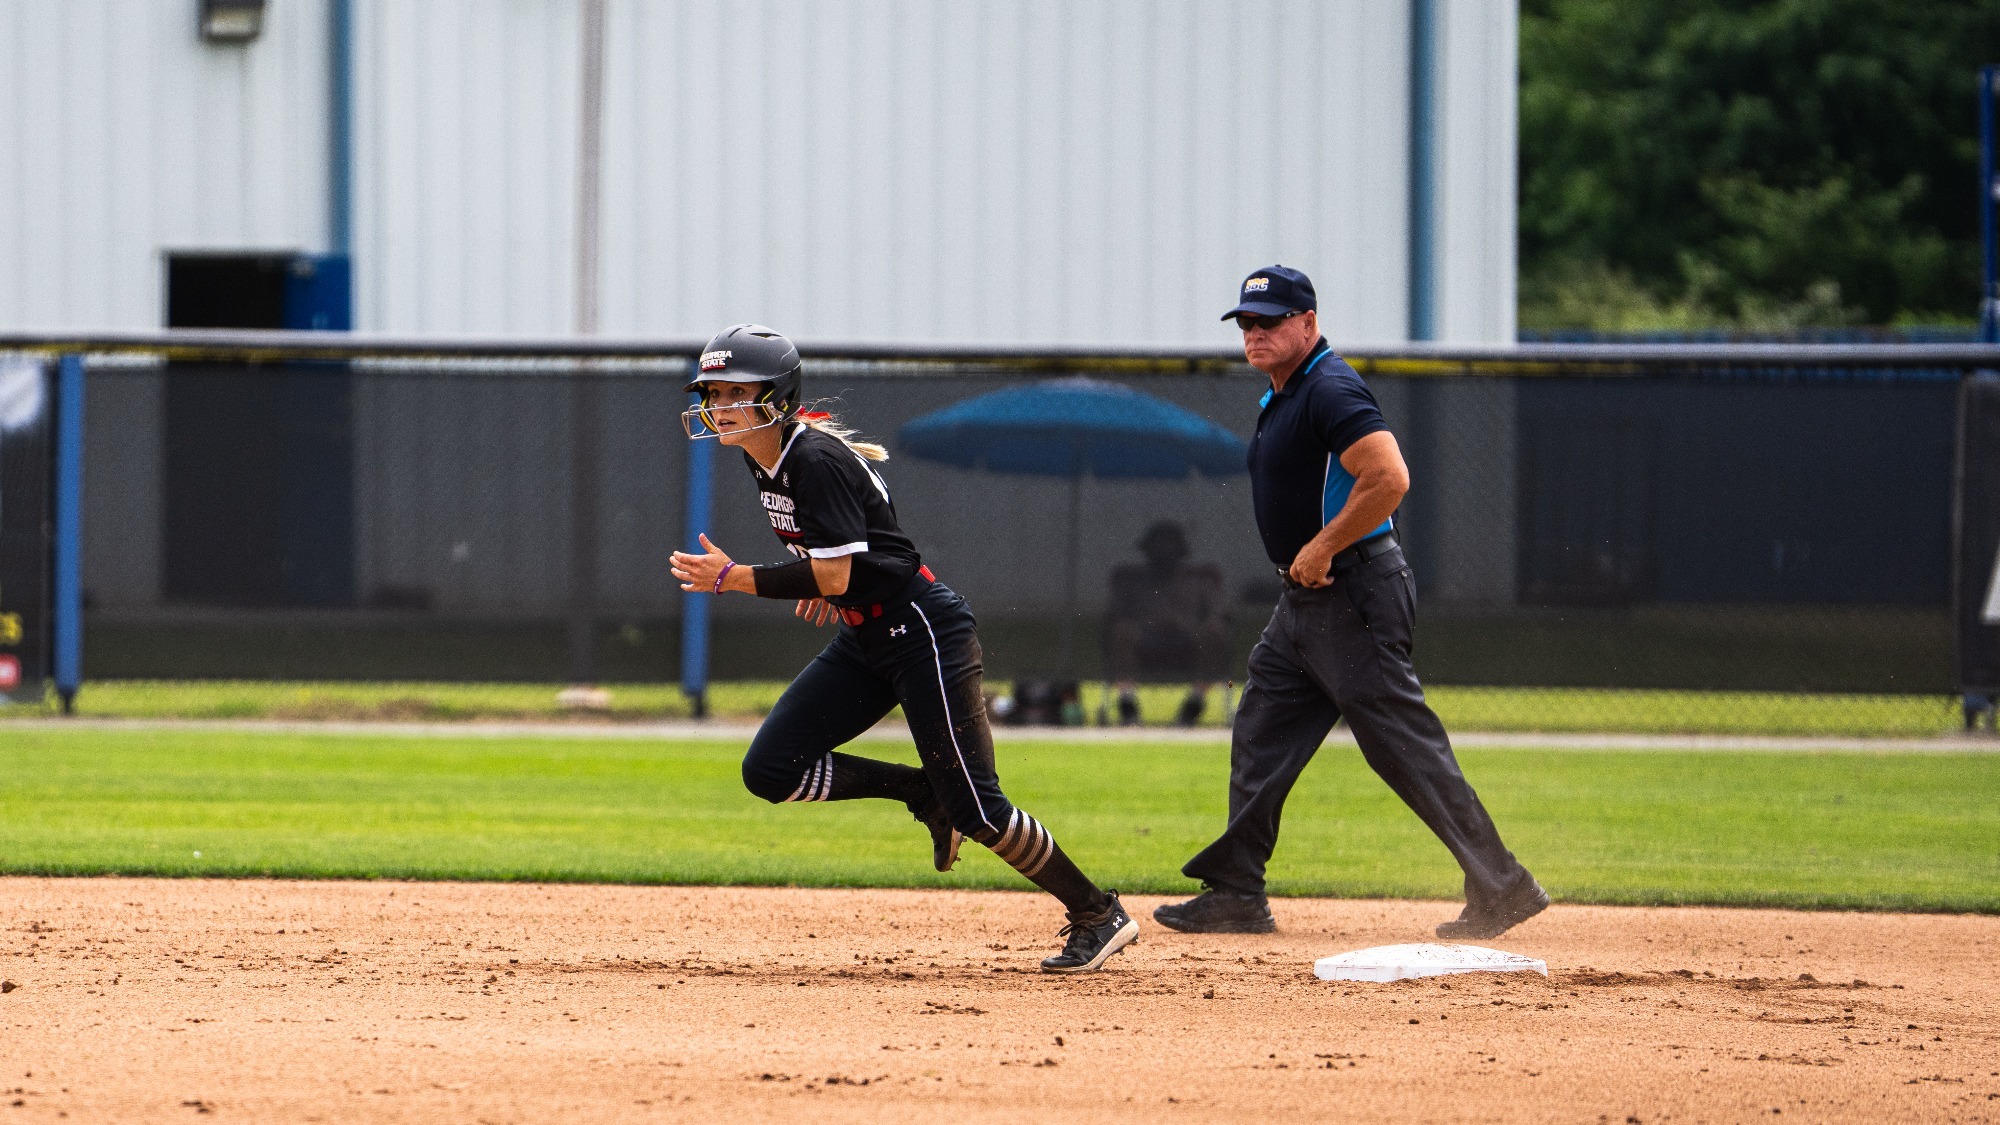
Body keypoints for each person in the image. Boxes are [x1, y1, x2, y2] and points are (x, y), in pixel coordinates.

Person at [667, 324, 1139, 973]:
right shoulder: (764, 453)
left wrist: (739, 576)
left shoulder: (811, 458)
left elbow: (838, 571)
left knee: (979, 807)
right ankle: (923, 791)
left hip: (921, 629)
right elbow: (841, 560)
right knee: (769, 769)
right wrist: (819, 572)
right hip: (869, 631)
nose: (719, 405)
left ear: (776, 396)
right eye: (712, 392)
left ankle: (1097, 912)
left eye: (733, 392)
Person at [1153, 267, 1547, 939]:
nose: (1255, 333)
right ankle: (1238, 890)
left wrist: (1325, 544)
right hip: (1305, 601)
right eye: (1246, 323)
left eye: (1270, 321)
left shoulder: (1330, 388)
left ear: (1308, 322)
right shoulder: (1284, 394)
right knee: (1261, 726)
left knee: (1402, 747)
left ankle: (1501, 883)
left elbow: (1389, 476)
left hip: (1351, 591)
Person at [1102, 521, 1230, 726]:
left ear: (1180, 550)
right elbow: (1115, 613)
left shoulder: (1198, 581)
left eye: (1169, 546)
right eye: (1158, 546)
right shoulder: (1134, 581)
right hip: (1145, 641)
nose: (1163, 553)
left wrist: (1193, 625)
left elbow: (1218, 612)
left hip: (1188, 640)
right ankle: (1128, 705)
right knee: (1121, 630)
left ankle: (1194, 704)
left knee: (1215, 630)